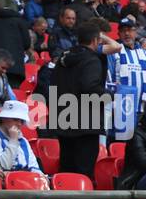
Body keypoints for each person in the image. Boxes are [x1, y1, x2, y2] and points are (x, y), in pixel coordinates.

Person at [49, 19, 119, 180]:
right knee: (83, 173)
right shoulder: (91, 60)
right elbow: (90, 88)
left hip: (63, 119)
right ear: (96, 40)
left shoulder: (63, 59)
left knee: (66, 170)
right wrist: (110, 95)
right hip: (86, 123)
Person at [0, 99, 42, 173]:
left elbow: (34, 167)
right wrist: (13, 141)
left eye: (22, 121)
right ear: (3, 119)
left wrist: (42, 177)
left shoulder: (24, 141)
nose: (19, 124)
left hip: (26, 181)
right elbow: (3, 166)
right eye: (16, 119)